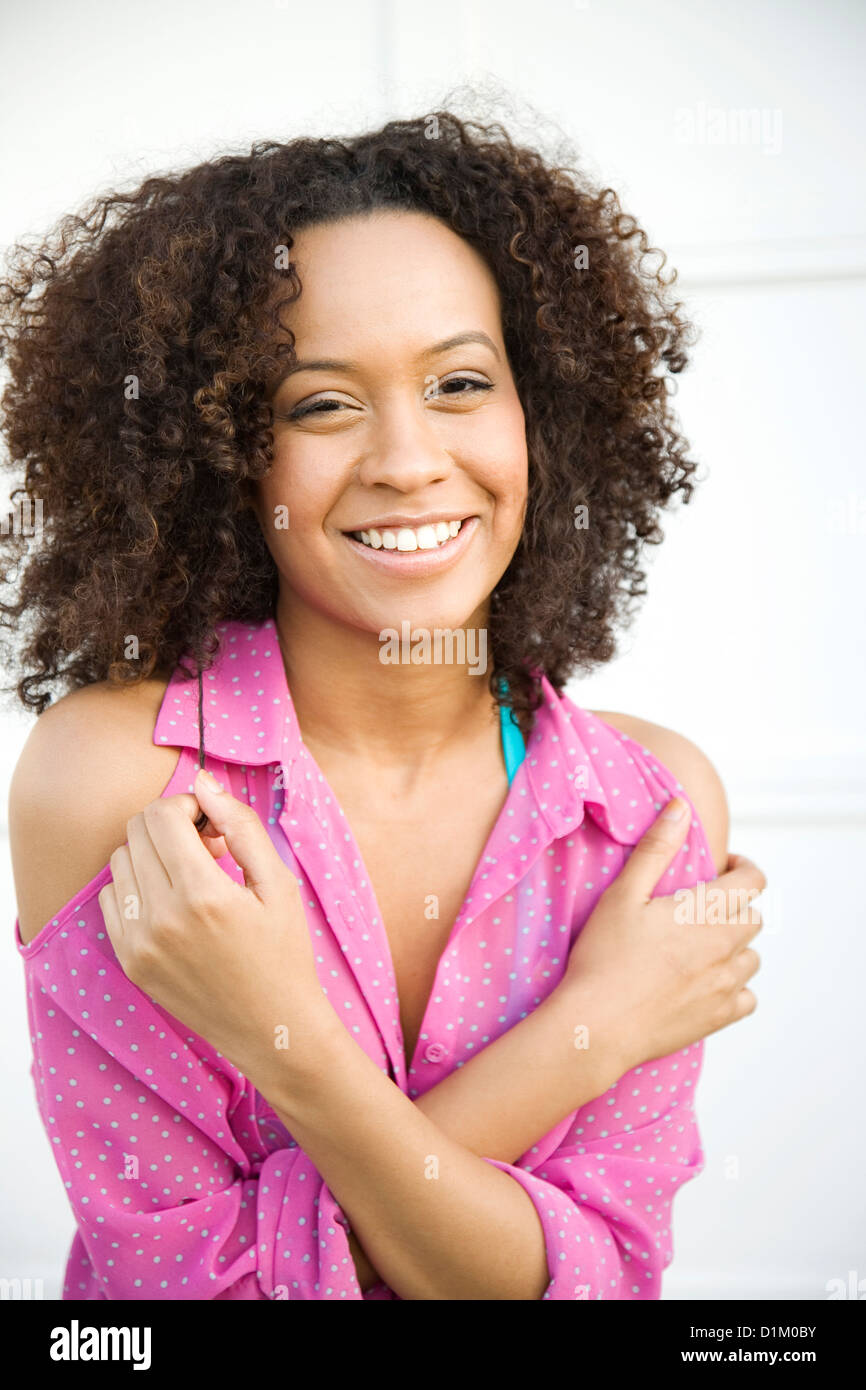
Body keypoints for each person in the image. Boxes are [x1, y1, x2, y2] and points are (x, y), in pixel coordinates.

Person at [2, 108, 764, 1300]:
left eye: (460, 382)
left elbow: (595, 1282)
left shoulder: (644, 814)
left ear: (540, 415)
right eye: (321, 404)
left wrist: (289, 1052)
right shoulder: (118, 781)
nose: (408, 459)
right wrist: (590, 1031)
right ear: (223, 451)